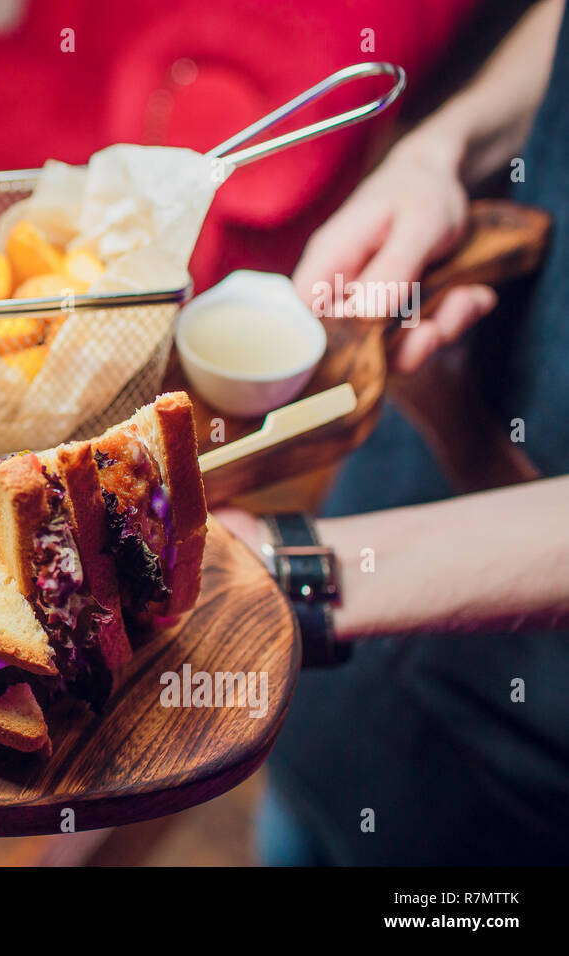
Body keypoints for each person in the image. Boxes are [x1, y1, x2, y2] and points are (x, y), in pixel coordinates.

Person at [216, 0, 569, 864]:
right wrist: (436, 151)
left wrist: (294, 577)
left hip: (523, 781)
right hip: (354, 611)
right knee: (303, 814)